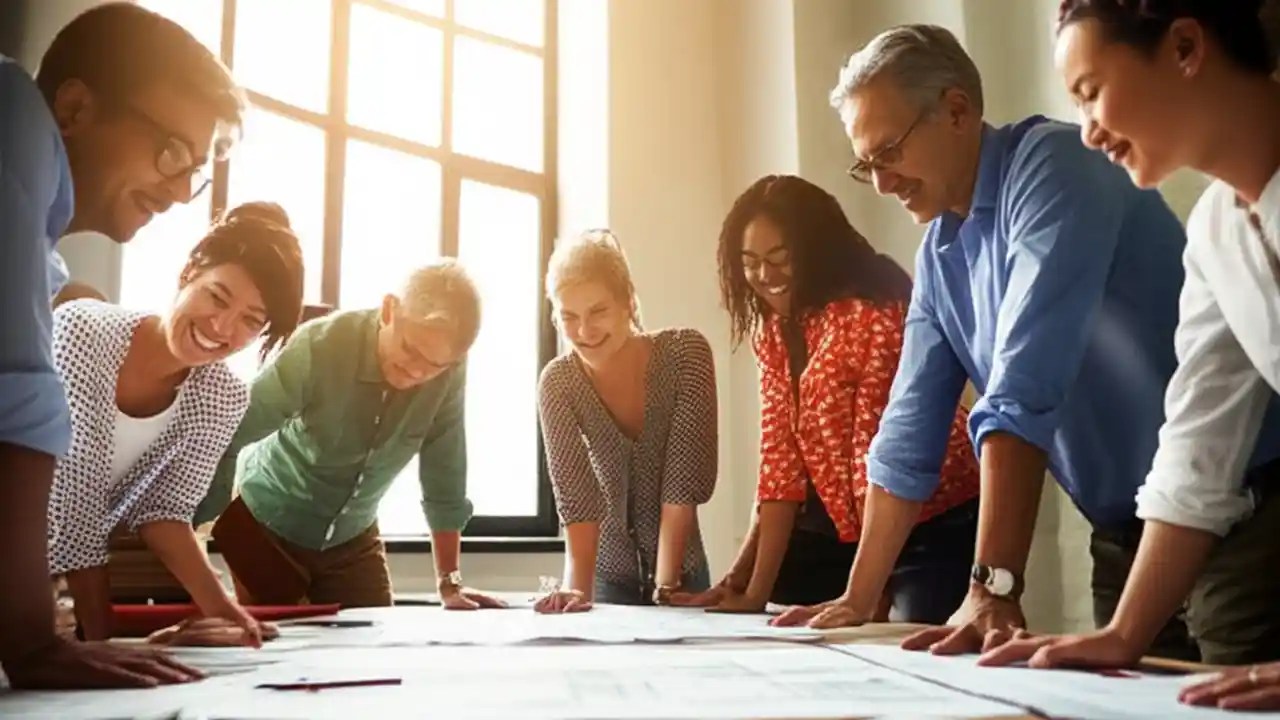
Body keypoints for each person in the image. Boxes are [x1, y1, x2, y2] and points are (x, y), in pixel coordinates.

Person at [826, 23, 1280, 662]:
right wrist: (856, 599)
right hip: (1137, 529)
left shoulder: (1056, 167)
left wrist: (994, 582)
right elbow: (908, 432)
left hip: (1244, 520)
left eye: (890, 152)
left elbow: (1022, 384)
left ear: (957, 111)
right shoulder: (942, 253)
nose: (881, 183)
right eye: (865, 164)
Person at [978, 2, 1280, 706]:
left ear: (1183, 46)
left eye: (1090, 92)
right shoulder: (1215, 233)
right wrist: (1124, 634)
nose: (1088, 130)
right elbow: (1198, 447)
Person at [0, 2, 241, 688]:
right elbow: (18, 405)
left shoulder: (46, 258)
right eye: (170, 151)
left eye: (193, 168)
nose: (177, 187)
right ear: (74, 108)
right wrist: (36, 644)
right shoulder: (13, 117)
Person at [670, 175, 978, 621]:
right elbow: (779, 465)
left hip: (933, 514)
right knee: (782, 596)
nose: (764, 276)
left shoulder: (870, 313)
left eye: (780, 258)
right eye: (751, 262)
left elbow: (880, 457)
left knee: (910, 638)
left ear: (816, 250)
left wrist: (865, 592)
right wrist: (746, 586)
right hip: (850, 524)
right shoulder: (774, 332)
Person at [48, 202, 304, 647]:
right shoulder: (83, 329)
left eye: (251, 320)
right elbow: (75, 500)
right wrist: (102, 640)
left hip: (37, 575)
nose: (222, 327)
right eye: (217, 296)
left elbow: (165, 513)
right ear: (189, 272)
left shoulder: (222, 396)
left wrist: (228, 613)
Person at [194, 259, 505, 612]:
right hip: (267, 521)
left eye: (434, 366)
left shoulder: (449, 372)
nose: (417, 371)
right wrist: (196, 533)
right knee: (283, 647)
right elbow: (232, 432)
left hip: (352, 535)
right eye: (410, 350)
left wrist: (449, 583)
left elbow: (444, 470)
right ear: (389, 309)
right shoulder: (320, 345)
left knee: (372, 653)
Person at [534, 230, 717, 612]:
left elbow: (681, 487)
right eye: (569, 316)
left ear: (627, 302)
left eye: (598, 311)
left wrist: (667, 586)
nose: (584, 332)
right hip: (606, 579)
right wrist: (577, 598)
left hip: (683, 575)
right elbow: (577, 502)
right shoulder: (558, 383)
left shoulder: (686, 355)